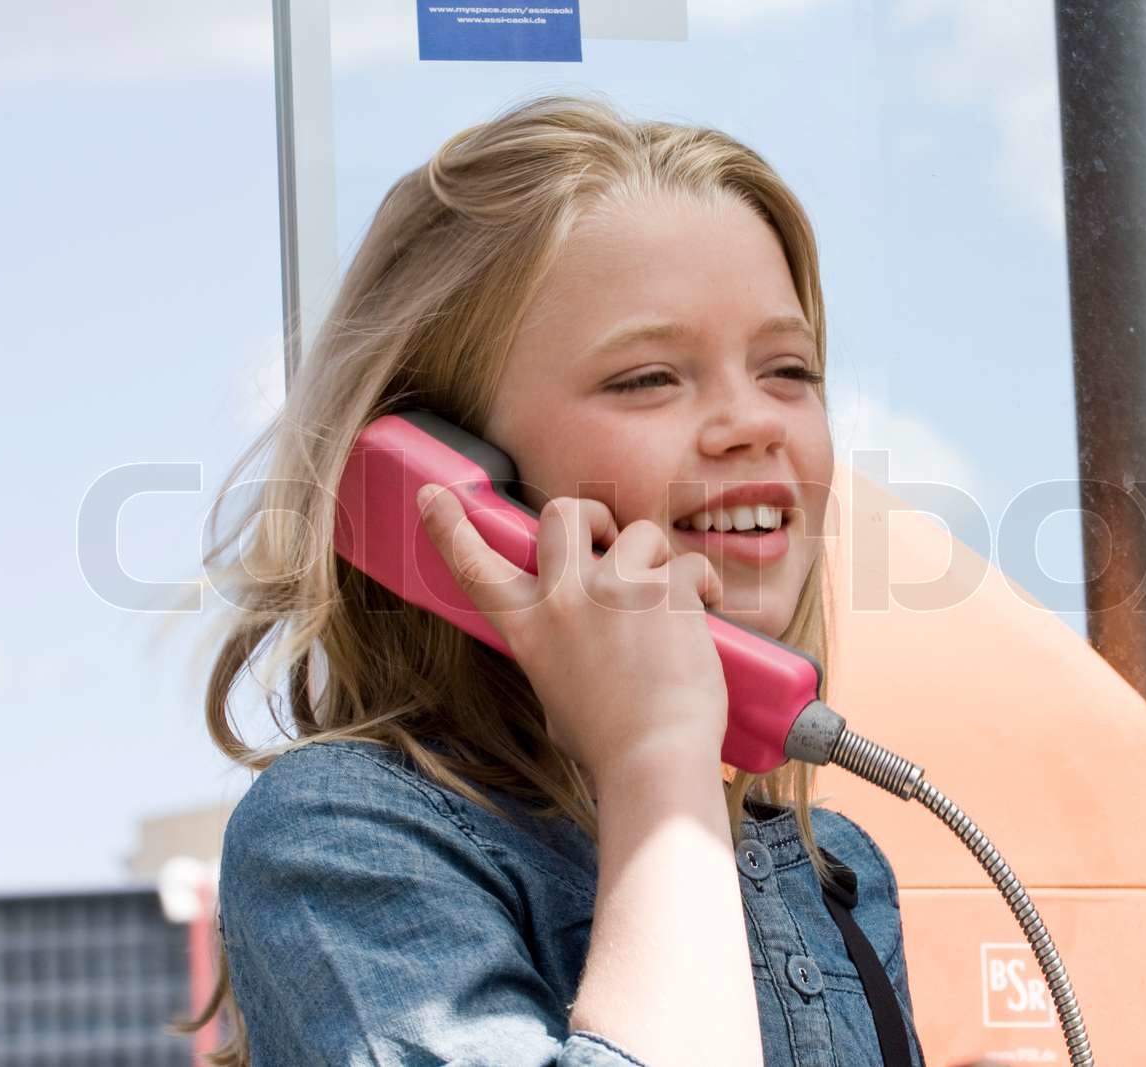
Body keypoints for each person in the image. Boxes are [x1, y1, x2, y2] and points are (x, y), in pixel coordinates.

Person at [177, 91, 925, 1067]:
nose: (756, 422)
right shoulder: (343, 837)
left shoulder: (836, 873)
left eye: (788, 369)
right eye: (649, 377)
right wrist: (655, 757)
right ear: (440, 469)